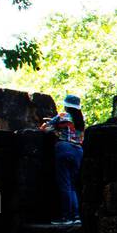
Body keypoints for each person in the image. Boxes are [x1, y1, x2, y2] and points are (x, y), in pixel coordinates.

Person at [40, 93, 85, 225]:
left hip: (64, 149)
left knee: (64, 184)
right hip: (78, 151)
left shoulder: (62, 116)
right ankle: (76, 216)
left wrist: (53, 128)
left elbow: (44, 129)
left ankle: (66, 217)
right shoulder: (81, 120)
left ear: (66, 106)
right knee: (72, 185)